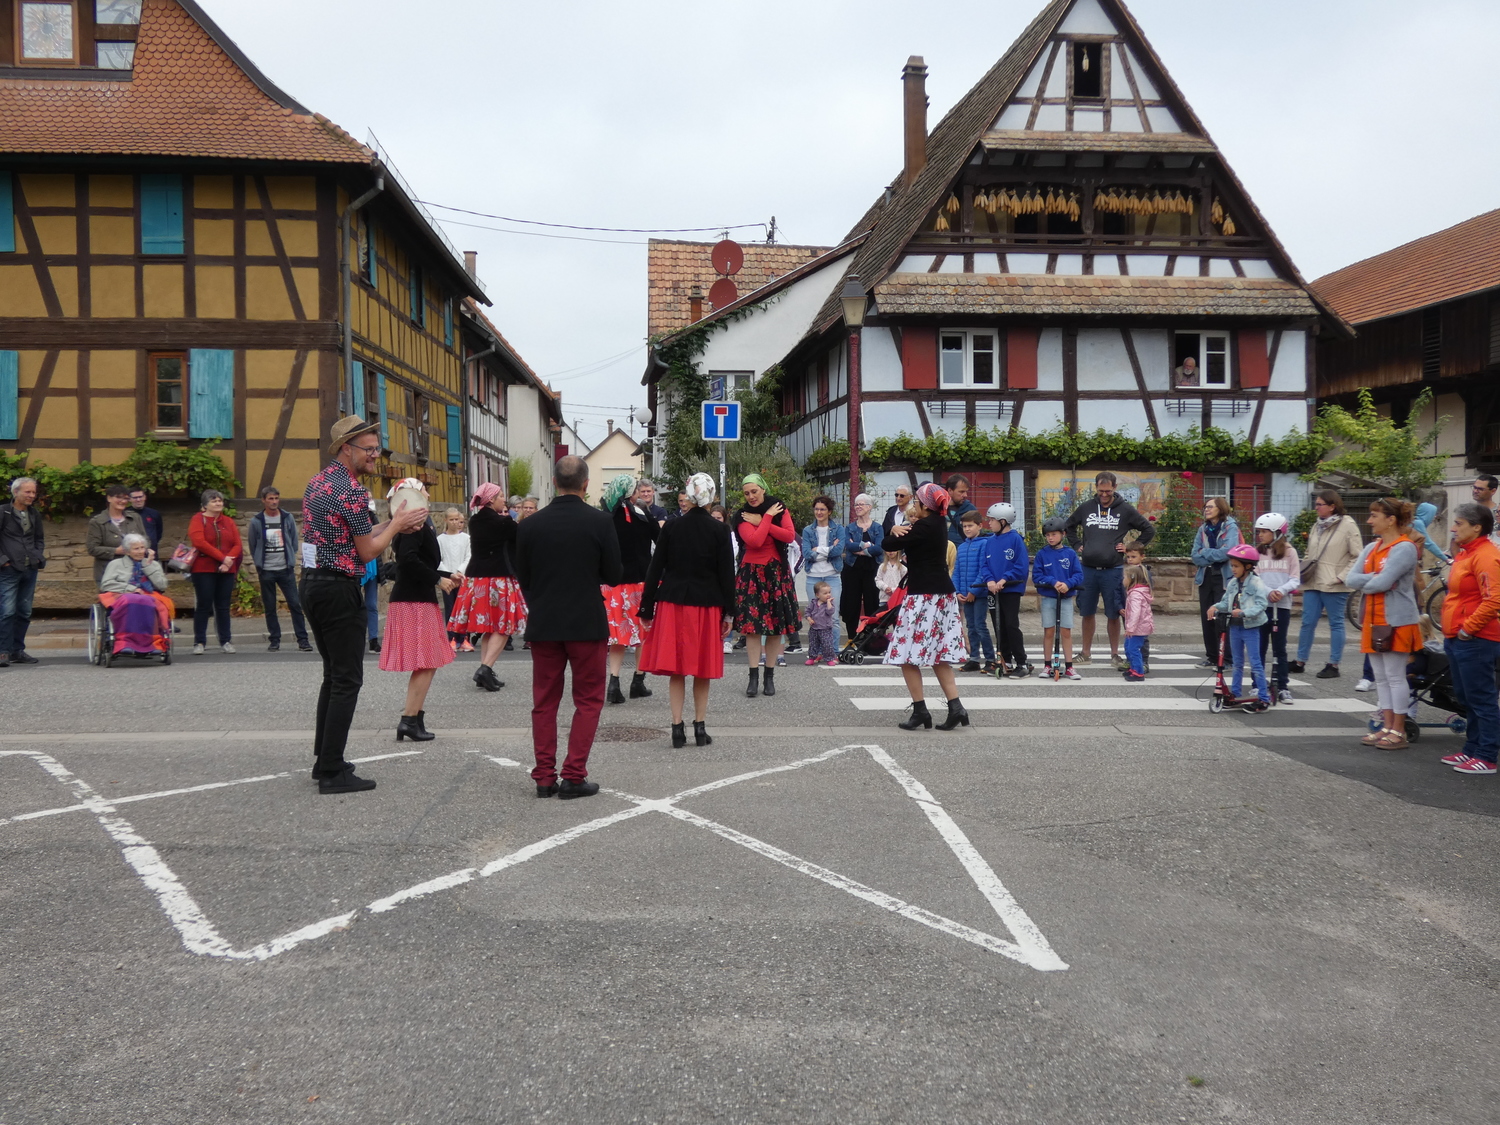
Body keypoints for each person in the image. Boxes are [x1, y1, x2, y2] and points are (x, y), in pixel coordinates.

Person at [301, 416, 427, 795]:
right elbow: (369, 550)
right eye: (369, 449)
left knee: (333, 676)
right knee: (347, 680)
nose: (375, 455)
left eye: (376, 448)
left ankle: (324, 760)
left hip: (313, 584)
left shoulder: (319, 482)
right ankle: (331, 770)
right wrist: (397, 525)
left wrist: (392, 524)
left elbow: (356, 533)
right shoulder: (352, 491)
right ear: (347, 448)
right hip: (338, 591)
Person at [515, 455, 623, 799]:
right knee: (588, 700)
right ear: (586, 484)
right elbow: (614, 575)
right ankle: (573, 775)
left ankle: (544, 777)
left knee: (544, 702)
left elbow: (523, 576)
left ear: (554, 482)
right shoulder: (600, 522)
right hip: (586, 621)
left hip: (545, 620)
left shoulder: (529, 525)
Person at [637, 472, 736, 747]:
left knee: (677, 668)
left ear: (689, 494)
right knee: (702, 669)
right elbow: (727, 574)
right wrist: (730, 613)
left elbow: (655, 567)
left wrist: (646, 608)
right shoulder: (719, 530)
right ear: (711, 496)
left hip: (673, 602)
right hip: (707, 605)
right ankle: (700, 728)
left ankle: (677, 728)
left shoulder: (671, 526)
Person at [884, 482, 969, 730]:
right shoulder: (939, 523)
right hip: (942, 596)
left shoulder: (923, 526)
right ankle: (956, 708)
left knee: (905, 655)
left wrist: (893, 529)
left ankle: (920, 710)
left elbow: (888, 545)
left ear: (924, 505)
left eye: (916, 502)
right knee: (939, 655)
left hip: (923, 596)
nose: (914, 506)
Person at [378, 479, 458, 743]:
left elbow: (417, 563)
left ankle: (413, 719)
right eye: (423, 489)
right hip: (414, 601)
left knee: (428, 663)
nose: (428, 493)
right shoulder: (414, 525)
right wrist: (438, 579)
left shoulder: (416, 524)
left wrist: (447, 575)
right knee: (426, 662)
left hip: (416, 598)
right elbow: (408, 561)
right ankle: (409, 719)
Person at [1344, 498, 1422, 750]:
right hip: (1372, 620)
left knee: (1395, 676)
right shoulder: (1371, 547)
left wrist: (1376, 581)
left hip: (1397, 621)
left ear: (1391, 520)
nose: (1369, 521)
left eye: (1374, 516)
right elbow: (1351, 579)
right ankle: (1386, 727)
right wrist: (1377, 579)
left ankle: (1399, 730)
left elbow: (1382, 582)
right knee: (1381, 677)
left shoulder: (1405, 547)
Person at [1064, 472, 1154, 669]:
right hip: (1088, 569)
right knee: (1087, 612)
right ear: (1096, 488)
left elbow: (1148, 529)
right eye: (1100, 491)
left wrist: (1130, 548)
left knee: (1114, 613)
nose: (1104, 495)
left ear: (1114, 488)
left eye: (1108, 491)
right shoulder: (1087, 507)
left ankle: (1115, 654)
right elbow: (1069, 526)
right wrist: (1077, 544)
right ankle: (1085, 653)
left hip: (1113, 570)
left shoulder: (1125, 509)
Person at [1438, 503, 1500, 775]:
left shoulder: (1485, 555)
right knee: (1467, 697)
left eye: (1459, 523)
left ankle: (1486, 756)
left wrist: (1468, 629)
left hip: (1475, 639)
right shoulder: (1467, 553)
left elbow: (1494, 599)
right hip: (1460, 637)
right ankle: (1472, 749)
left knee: (1481, 698)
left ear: (1477, 527)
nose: (1453, 528)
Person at [448, 482, 525, 692]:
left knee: (488, 628)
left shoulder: (474, 521)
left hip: (476, 579)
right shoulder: (503, 522)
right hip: (498, 579)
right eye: (501, 496)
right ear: (491, 499)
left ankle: (486, 673)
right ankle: (485, 668)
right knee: (504, 627)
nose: (504, 499)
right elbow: (521, 538)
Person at [732, 473, 799, 699]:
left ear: (763, 489)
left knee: (775, 627)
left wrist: (763, 520)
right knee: (753, 629)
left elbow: (789, 536)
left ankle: (769, 676)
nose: (751, 496)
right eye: (746, 493)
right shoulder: (741, 516)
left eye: (754, 491)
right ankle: (753, 677)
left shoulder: (778, 508)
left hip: (776, 573)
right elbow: (755, 541)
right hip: (752, 574)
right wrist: (768, 519)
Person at [600, 475, 659, 705]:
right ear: (630, 493)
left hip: (613, 585)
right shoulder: (641, 514)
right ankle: (638, 680)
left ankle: (613, 682)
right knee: (643, 634)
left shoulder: (605, 517)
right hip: (639, 583)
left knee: (618, 636)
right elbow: (659, 538)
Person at [1291, 489, 1363, 679]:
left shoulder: (1348, 525)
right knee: (1307, 622)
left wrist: (1341, 577)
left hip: (1334, 583)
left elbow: (1358, 555)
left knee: (1336, 623)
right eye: (1316, 504)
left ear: (1332, 506)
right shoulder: (1317, 525)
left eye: (1319, 504)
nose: (1316, 508)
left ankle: (1333, 664)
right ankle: (1300, 661)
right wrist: (1304, 570)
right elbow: (1310, 552)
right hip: (1313, 581)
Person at [247, 486, 312, 653]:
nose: (274, 502)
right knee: (270, 606)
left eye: (276, 498)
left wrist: (290, 559)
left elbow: (294, 541)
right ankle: (274, 640)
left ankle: (303, 640)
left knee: (295, 604)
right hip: (266, 570)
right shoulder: (257, 521)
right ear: (264, 500)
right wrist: (259, 563)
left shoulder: (287, 517)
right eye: (270, 499)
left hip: (285, 569)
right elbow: (253, 544)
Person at [1207, 543, 1271, 714]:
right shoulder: (1233, 583)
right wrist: (1215, 606)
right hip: (1234, 627)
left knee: (1255, 663)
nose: (1233, 569)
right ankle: (1235, 694)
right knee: (1237, 663)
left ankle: (1264, 698)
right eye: (1232, 566)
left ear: (1248, 566)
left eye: (1236, 566)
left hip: (1251, 627)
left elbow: (1261, 605)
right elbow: (1225, 602)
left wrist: (1244, 613)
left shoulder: (1256, 583)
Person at [1251, 513, 1300, 704]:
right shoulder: (1258, 552)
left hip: (1281, 607)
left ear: (1277, 532)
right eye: (1259, 531)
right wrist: (1269, 591)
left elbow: (1295, 578)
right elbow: (1254, 578)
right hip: (1262, 606)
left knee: (1280, 648)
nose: (1260, 535)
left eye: (1264, 531)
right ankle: (1258, 684)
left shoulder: (1290, 552)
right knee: (1259, 646)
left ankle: (1282, 687)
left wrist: (1281, 590)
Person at [980, 502, 1031, 677]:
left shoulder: (1015, 539)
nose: (989, 523)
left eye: (992, 520)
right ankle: (1005, 660)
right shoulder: (989, 541)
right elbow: (984, 564)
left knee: (1011, 624)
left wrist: (1004, 580)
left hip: (1010, 589)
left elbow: (1021, 566)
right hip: (993, 589)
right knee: (998, 625)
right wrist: (989, 580)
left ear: (1003, 521)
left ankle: (1021, 662)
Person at [187, 489, 241, 655]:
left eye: (220, 500)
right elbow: (199, 542)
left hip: (227, 569)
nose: (218, 503)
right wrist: (222, 558)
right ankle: (199, 642)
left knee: (223, 606)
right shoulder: (198, 519)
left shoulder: (228, 521)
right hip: (203, 569)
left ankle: (225, 640)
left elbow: (237, 544)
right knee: (203, 605)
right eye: (214, 501)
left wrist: (228, 561)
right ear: (205, 505)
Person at [99, 533, 173, 652]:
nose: (140, 551)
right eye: (136, 549)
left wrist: (148, 565)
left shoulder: (153, 564)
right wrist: (131, 589)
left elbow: (162, 585)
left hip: (148, 594)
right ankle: (124, 642)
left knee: (149, 602)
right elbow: (106, 584)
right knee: (131, 600)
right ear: (127, 551)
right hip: (121, 594)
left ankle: (153, 642)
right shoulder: (115, 564)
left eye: (142, 548)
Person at [0, 477, 46, 667]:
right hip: (9, 570)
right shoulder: (3, 512)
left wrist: (38, 556)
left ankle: (17, 650)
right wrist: (3, 561)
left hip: (30, 568)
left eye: (33, 492)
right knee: (7, 612)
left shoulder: (34, 514)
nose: (32, 495)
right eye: (28, 492)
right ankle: (3, 651)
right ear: (16, 492)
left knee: (24, 612)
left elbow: (39, 539)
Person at [1191, 497, 1241, 667]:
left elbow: (1228, 552)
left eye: (1210, 507)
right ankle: (1212, 657)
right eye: (1205, 507)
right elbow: (1195, 556)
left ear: (1220, 508)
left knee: (1222, 617)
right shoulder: (1203, 529)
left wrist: (1205, 552)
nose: (1206, 509)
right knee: (1208, 617)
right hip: (1206, 576)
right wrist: (1212, 554)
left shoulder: (1230, 527)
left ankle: (1226, 659)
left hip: (1223, 577)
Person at [1032, 517, 1082, 679]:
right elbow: (1037, 576)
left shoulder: (1070, 554)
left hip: (1065, 599)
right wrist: (1053, 582)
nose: (1050, 538)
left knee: (1066, 631)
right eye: (1048, 535)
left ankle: (1069, 666)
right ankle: (1048, 665)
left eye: (1054, 534)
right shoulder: (1042, 554)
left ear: (1063, 534)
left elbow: (1078, 575)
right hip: (1048, 598)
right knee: (1049, 631)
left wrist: (1068, 584)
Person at [800, 495, 845, 649]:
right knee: (815, 616)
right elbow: (807, 553)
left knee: (833, 617)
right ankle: (817, 651)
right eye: (816, 509)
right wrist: (829, 549)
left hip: (832, 576)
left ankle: (833, 651)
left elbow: (838, 551)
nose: (819, 512)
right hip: (813, 577)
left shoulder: (838, 529)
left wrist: (818, 550)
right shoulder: (808, 530)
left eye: (823, 509)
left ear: (829, 511)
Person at [951, 510, 993, 673]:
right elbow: (957, 571)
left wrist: (973, 590)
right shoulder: (962, 547)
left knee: (980, 625)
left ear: (980, 526)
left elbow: (984, 570)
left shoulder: (984, 544)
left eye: (970, 526)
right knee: (971, 627)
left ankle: (990, 659)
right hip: (964, 594)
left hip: (979, 594)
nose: (967, 529)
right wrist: (957, 591)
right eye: (964, 526)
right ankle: (974, 658)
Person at [841, 493, 884, 642]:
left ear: (869, 507)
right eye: (856, 504)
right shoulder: (850, 527)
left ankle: (870, 639)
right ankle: (852, 638)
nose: (858, 507)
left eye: (861, 504)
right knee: (851, 603)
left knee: (872, 603)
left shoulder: (877, 527)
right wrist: (867, 545)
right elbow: (848, 545)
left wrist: (860, 549)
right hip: (852, 569)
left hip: (872, 570)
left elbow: (879, 548)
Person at [86, 485, 147, 585]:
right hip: (108, 573)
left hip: (135, 572)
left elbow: (146, 540)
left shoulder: (135, 517)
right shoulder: (97, 522)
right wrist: (116, 551)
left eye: (126, 498)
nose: (123, 501)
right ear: (109, 498)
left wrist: (142, 549)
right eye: (118, 497)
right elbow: (92, 549)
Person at [436, 508, 472, 652]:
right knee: (450, 608)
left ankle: (463, 637)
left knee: (463, 608)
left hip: (462, 578)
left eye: (456, 519)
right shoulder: (440, 539)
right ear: (446, 520)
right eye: (451, 520)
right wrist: (450, 574)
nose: (454, 522)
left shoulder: (466, 538)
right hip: (448, 579)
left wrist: (460, 572)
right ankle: (452, 638)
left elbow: (468, 556)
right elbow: (438, 559)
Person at [1122, 543, 1153, 674]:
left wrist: (1130, 627)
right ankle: (1132, 665)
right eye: (1128, 557)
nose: (1130, 559)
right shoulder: (1133, 590)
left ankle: (1139, 668)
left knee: (1136, 646)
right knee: (1129, 645)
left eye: (1133, 557)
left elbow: (1136, 611)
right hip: (1135, 622)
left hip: (1138, 624)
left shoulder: (1136, 593)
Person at [804, 582, 839, 667]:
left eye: (829, 592)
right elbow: (807, 612)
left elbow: (830, 612)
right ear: (817, 595)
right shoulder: (813, 603)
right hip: (814, 628)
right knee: (813, 644)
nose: (828, 595)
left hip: (825, 628)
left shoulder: (830, 604)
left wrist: (829, 603)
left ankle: (829, 658)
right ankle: (812, 657)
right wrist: (809, 619)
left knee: (827, 644)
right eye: (825, 593)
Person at [128, 486, 164, 555]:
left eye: (140, 497)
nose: (138, 500)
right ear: (129, 499)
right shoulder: (125, 514)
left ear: (145, 497)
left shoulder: (154, 513)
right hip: (132, 553)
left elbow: (158, 533)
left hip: (151, 552)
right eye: (135, 498)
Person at [944, 474, 976, 546]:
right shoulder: (938, 509)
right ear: (950, 491)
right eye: (961, 492)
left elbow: (977, 535)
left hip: (963, 550)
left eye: (966, 492)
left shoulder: (970, 510)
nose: (965, 495)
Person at [1472, 475, 1500, 548]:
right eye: (1474, 487)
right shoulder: (1468, 512)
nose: (1475, 491)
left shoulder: (1498, 512)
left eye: (1480, 489)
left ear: (1493, 491)